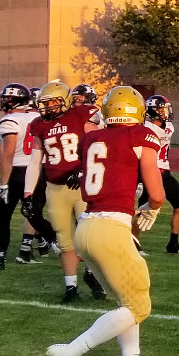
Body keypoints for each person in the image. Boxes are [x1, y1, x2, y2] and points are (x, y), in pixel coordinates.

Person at [44, 85, 170, 356]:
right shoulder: (141, 135)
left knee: (127, 304)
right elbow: (157, 193)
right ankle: (70, 352)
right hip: (111, 228)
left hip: (86, 227)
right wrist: (151, 208)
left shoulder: (92, 138)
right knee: (140, 306)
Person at [22, 81, 107, 304]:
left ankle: (92, 274)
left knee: (88, 238)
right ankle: (71, 288)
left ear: (66, 101)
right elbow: (34, 161)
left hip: (81, 187)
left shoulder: (82, 115)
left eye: (52, 102)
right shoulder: (39, 124)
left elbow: (98, 146)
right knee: (65, 241)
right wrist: (28, 193)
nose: (48, 107)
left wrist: (81, 170)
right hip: (55, 188)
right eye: (45, 103)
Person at [0, 83, 40, 270]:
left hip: (15, 173)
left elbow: (8, 153)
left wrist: (4, 184)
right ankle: (37, 248)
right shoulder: (38, 117)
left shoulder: (10, 120)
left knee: (2, 218)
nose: (3, 102)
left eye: (6, 99)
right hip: (35, 172)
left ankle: (0, 260)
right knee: (33, 214)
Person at [143, 96, 179, 255]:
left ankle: (173, 243)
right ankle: (134, 245)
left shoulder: (169, 126)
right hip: (149, 171)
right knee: (142, 211)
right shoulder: (146, 128)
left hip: (164, 170)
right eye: (161, 109)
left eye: (165, 109)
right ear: (151, 111)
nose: (165, 112)